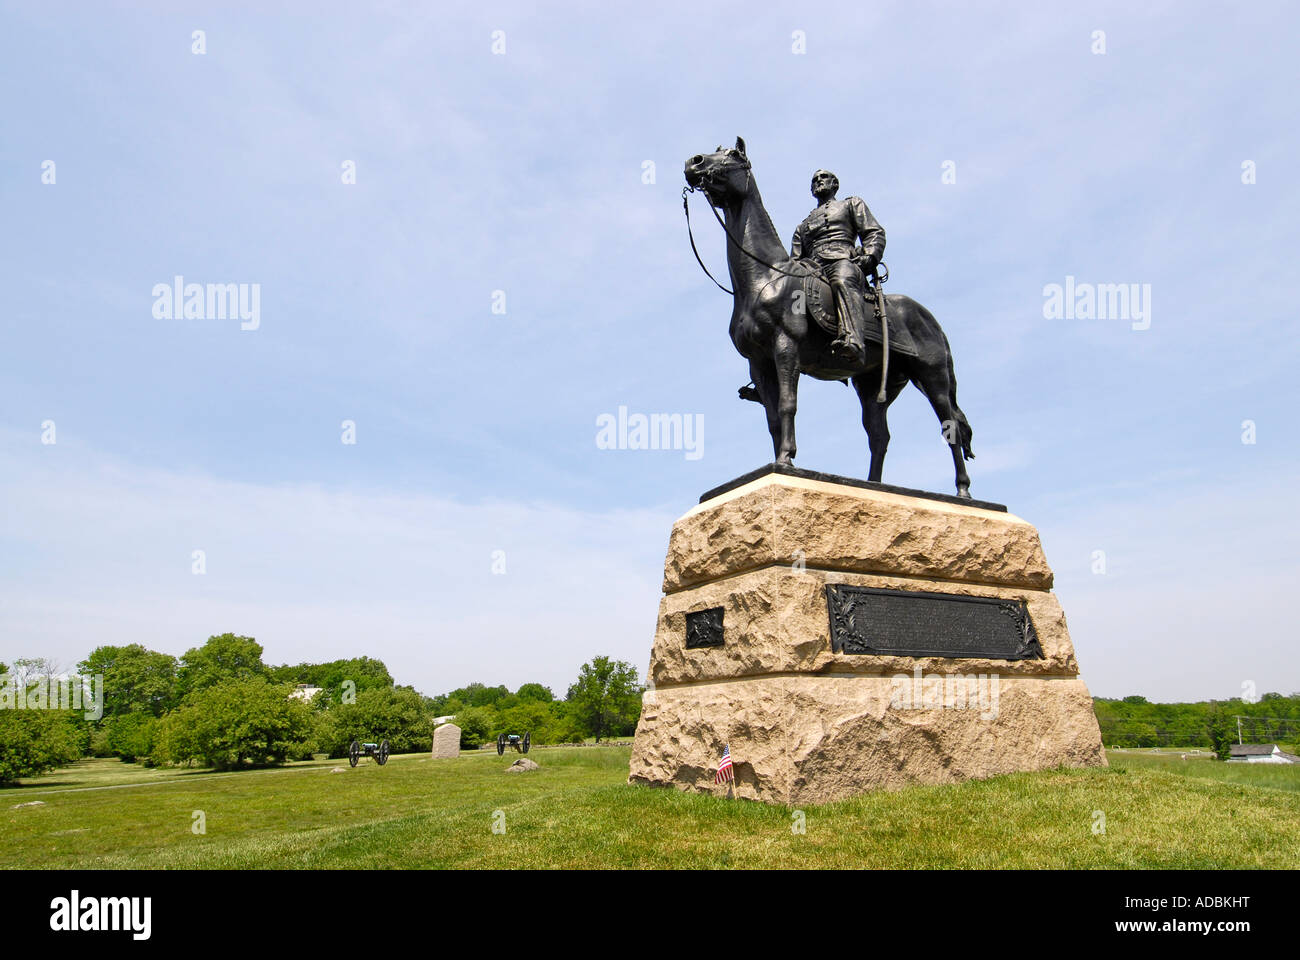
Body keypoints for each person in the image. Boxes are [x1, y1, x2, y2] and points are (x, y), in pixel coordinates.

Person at [790, 169, 886, 365]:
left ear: (835, 184)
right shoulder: (802, 227)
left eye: (824, 177)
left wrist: (870, 256)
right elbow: (794, 260)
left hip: (842, 259)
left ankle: (853, 340)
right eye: (814, 180)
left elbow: (874, 232)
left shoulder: (851, 204)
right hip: (811, 269)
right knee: (790, 294)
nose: (818, 181)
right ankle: (787, 348)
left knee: (842, 280)